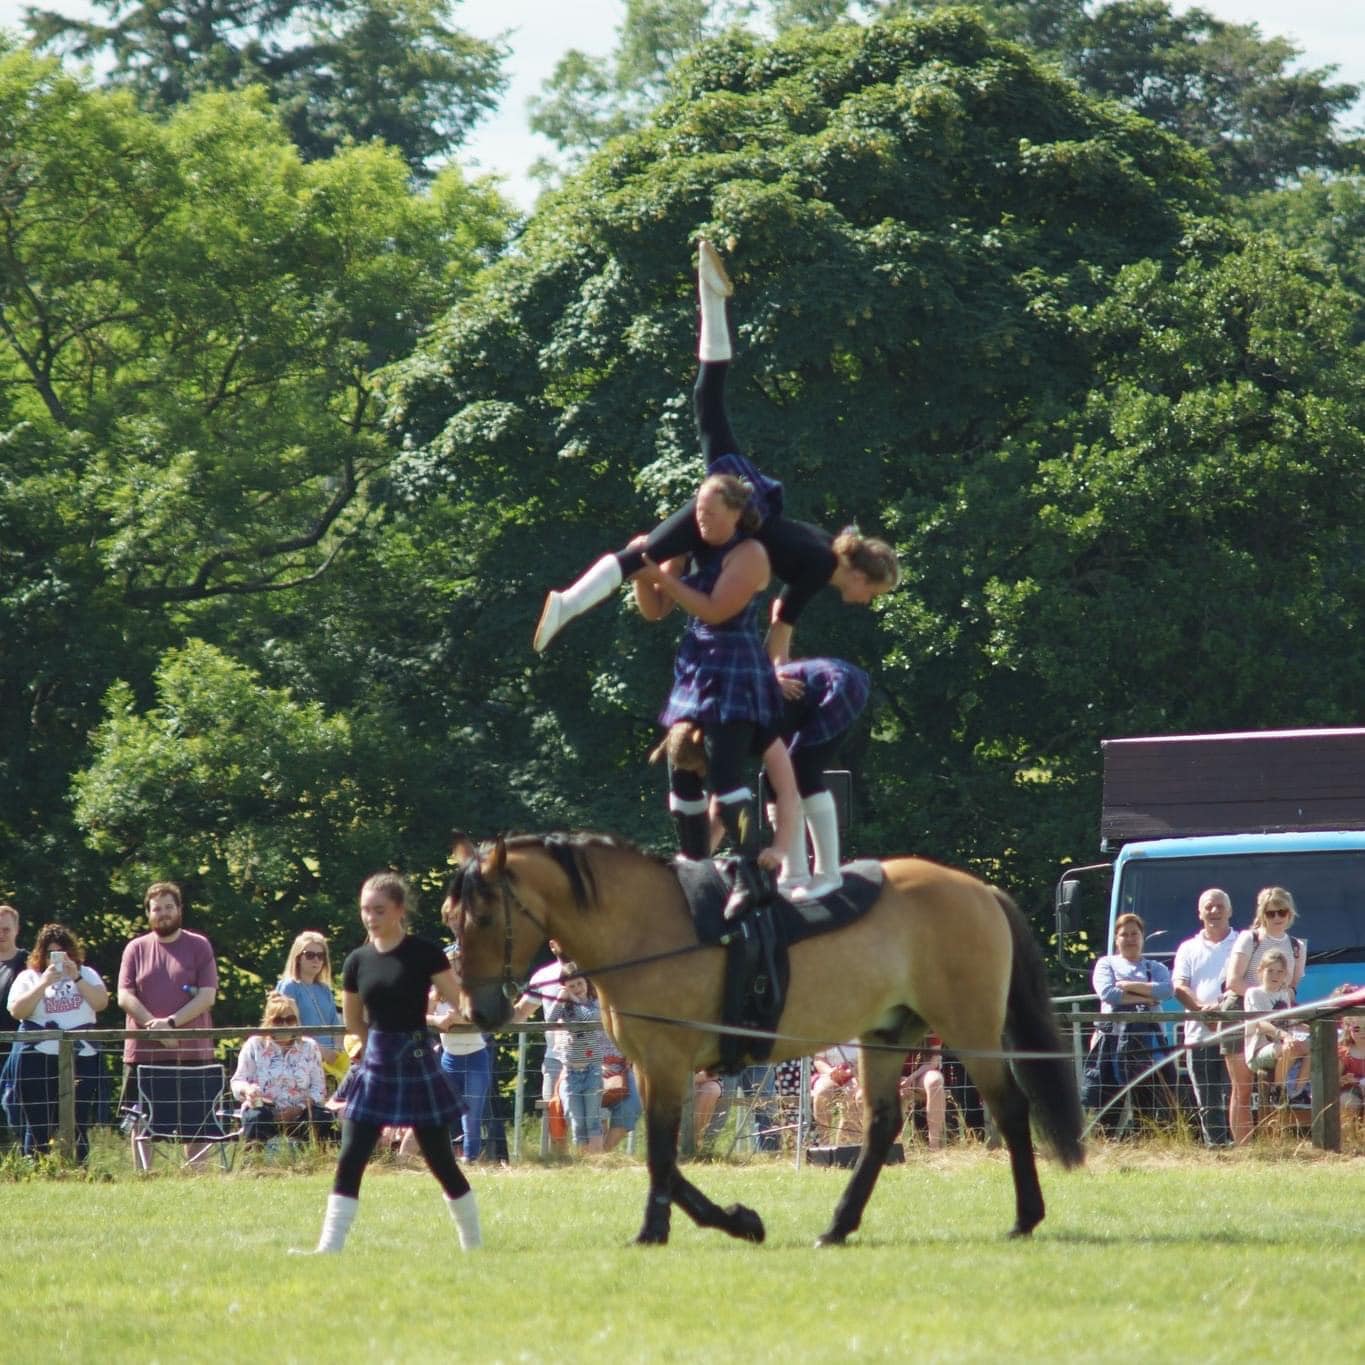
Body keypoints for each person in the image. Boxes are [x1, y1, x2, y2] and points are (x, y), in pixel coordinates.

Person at [532, 239, 900, 663]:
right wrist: (777, 675)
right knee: (642, 556)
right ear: (857, 574)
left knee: (707, 402)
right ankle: (569, 603)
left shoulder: (826, 547)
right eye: (871, 591)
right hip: (736, 513)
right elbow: (781, 625)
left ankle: (711, 295)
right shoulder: (820, 568)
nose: (865, 600)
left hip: (746, 500)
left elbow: (780, 612)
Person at [296, 872, 479, 1255]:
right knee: (351, 1155)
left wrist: (486, 1005)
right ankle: (328, 1248)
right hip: (376, 1064)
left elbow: (458, 1000)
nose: (370, 917)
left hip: (416, 1063)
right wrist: (377, 1049)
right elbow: (353, 1021)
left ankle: (473, 1246)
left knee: (441, 1159)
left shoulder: (424, 953)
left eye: (379, 910)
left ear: (398, 910)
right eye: (365, 910)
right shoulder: (357, 961)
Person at [631, 474, 802, 884]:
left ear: (736, 513)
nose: (700, 519)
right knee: (682, 770)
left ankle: (751, 874)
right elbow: (656, 609)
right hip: (694, 668)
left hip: (735, 670)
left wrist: (662, 575)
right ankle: (694, 867)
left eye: (710, 512)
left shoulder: (751, 554)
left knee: (724, 774)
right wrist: (641, 576)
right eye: (698, 510)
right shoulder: (688, 547)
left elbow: (714, 610)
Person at [117, 881, 219, 1169]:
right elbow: (124, 996)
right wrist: (154, 1026)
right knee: (140, 1120)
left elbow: (207, 995)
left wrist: (172, 1024)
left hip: (192, 1052)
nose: (163, 914)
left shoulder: (199, 946)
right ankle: (143, 1178)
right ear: (148, 913)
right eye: (156, 908)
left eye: (168, 907)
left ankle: (198, 1177)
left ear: (179, 909)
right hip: (144, 1053)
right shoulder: (135, 949)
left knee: (197, 1122)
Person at [5, 922, 109, 1162]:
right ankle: (37, 1168)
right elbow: (18, 1011)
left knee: (78, 1120)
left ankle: (78, 1168)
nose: (58, 959)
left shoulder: (87, 973)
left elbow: (101, 1002)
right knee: (38, 1121)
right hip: (37, 1057)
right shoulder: (29, 977)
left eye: (63, 952)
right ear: (41, 954)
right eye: (51, 953)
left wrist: (77, 977)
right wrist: (44, 983)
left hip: (82, 1057)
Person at [1221, 886, 1307, 1144]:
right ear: (1263, 914)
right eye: (1271, 912)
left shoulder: (1296, 946)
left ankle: (1273, 1145)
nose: (1277, 917)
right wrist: (1261, 1002)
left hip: (1278, 1018)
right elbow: (1233, 981)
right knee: (1243, 1088)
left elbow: (1291, 989)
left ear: (1290, 913)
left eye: (1283, 911)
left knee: (1274, 1087)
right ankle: (1244, 1148)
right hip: (1242, 1014)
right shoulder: (1249, 939)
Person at [1081, 913, 1174, 1137]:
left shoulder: (1156, 967)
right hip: (1110, 1043)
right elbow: (1108, 993)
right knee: (1107, 1103)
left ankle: (1150, 1149)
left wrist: (1128, 986)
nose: (1130, 938)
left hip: (1149, 1044)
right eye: (1124, 934)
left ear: (1143, 937)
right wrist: (1146, 997)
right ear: (1116, 939)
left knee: (1150, 1105)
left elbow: (1167, 990)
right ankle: (1106, 1150)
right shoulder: (1106, 964)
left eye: (1135, 934)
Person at [1171, 887, 1237, 1146]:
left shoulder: (1243, 942)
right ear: (1199, 913)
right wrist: (1202, 1011)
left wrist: (1221, 1013)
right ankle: (1217, 1150)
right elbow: (1179, 986)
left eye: (1220, 906)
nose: (1214, 910)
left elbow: (1247, 981)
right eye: (1209, 906)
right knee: (1207, 1102)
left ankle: (1244, 1150)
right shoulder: (1187, 948)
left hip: (1235, 1034)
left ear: (1230, 911)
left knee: (1238, 1096)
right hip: (1198, 1036)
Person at [231, 991, 334, 1147]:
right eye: (278, 1020)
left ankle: (314, 1162)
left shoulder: (309, 1046)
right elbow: (238, 1081)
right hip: (264, 1109)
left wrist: (299, 1108)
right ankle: (254, 1163)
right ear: (269, 1022)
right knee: (255, 1117)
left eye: (290, 1020)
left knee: (322, 1117)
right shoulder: (254, 1045)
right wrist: (248, 1090)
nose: (285, 1025)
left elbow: (319, 1088)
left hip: (301, 1112)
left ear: (297, 1022)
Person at [428, 926, 490, 1162]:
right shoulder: (435, 994)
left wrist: (460, 1017)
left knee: (472, 1114)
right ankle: (439, 1156)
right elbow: (421, 1015)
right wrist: (438, 1020)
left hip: (475, 1057)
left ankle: (470, 1158)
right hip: (449, 1058)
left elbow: (483, 1016)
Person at [546, 966, 608, 1154]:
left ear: (587, 982)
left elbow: (588, 1020)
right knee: (576, 1120)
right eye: (571, 986)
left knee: (592, 1120)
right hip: (571, 1072)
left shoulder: (595, 1004)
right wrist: (559, 1000)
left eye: (580, 983)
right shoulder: (564, 1005)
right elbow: (550, 1020)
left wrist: (572, 999)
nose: (577, 988)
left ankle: (596, 1159)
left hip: (592, 1070)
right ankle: (583, 1160)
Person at [1242, 950, 1309, 1110]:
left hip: (1283, 1046)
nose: (1275, 975)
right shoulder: (1254, 993)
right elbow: (1261, 1023)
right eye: (1270, 970)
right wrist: (1284, 1035)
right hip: (1258, 1052)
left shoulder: (1284, 994)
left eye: (1280, 971)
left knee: (1314, 1047)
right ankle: (1278, 1090)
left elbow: (1290, 1022)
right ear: (1260, 971)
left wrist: (1313, 1028)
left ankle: (1298, 1091)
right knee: (1289, 1047)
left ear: (1285, 974)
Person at [276, 931, 344, 1071]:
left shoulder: (324, 989)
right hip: (298, 1062)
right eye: (310, 955)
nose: (316, 960)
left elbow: (335, 1026)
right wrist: (322, 1051)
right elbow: (288, 1028)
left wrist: (338, 1051)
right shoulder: (289, 986)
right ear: (298, 957)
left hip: (330, 1063)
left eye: (321, 956)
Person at [0, 904, 29, 1144]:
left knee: (14, 1108)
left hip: (18, 1050)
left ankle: (21, 1161)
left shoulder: (28, 963)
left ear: (16, 929)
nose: (1, 934)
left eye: (6, 929)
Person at [899, 1036, 946, 1151]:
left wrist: (910, 1079)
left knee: (935, 1081)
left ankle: (934, 1146)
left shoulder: (930, 1026)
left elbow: (933, 1062)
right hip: (890, 1076)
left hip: (918, 1075)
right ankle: (892, 1149)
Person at [812, 1042, 862, 1145]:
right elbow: (819, 1060)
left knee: (851, 1095)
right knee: (821, 1094)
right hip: (831, 1074)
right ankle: (824, 1143)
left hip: (857, 1073)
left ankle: (848, 1144)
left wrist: (850, 1072)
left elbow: (868, 1059)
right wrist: (831, 1071)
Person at [1333, 987, 1365, 1123]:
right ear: (1348, 1029)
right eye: (1357, 1029)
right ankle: (1348, 1139)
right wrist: (1343, 1080)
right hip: (1352, 1091)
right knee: (1347, 1101)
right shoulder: (1344, 1052)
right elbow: (1333, 1080)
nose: (1362, 1032)